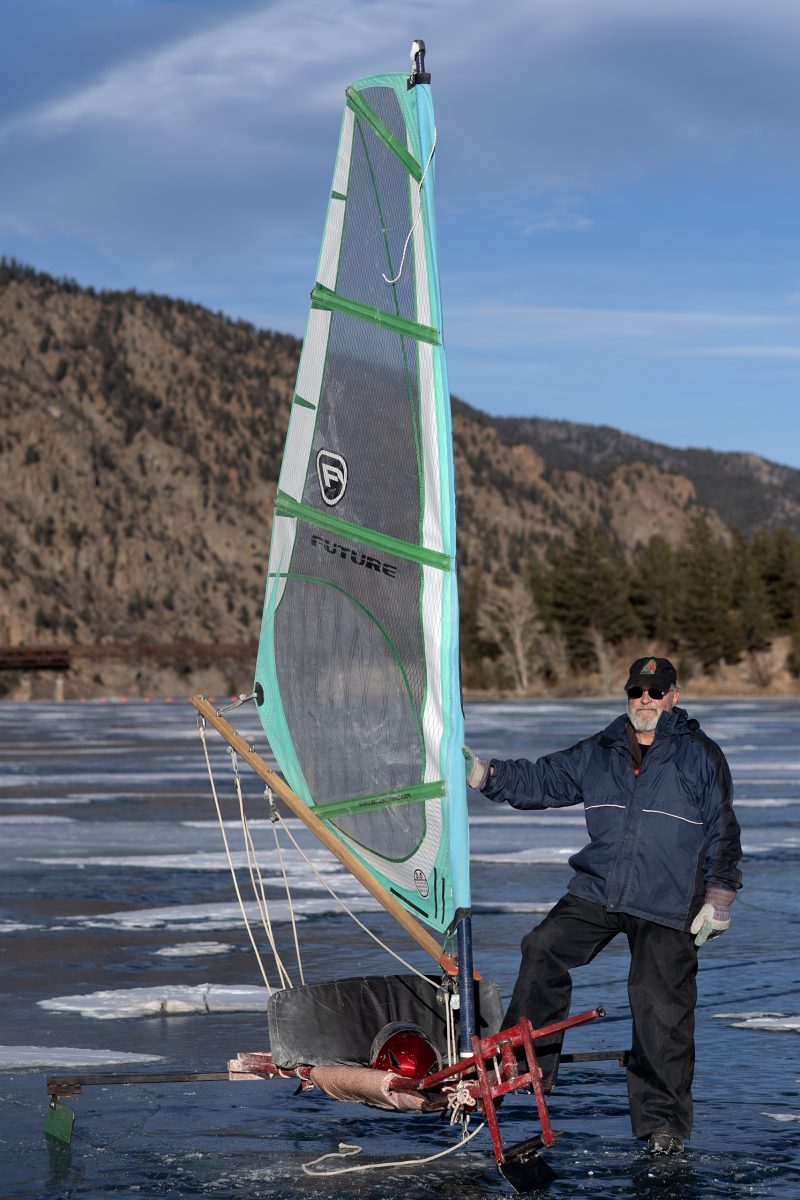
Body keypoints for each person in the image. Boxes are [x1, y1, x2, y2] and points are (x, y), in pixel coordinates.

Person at [464, 656, 742, 1156]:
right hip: (600, 889)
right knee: (543, 947)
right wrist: (486, 774)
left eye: (655, 693)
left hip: (669, 899)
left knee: (658, 1006)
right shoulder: (604, 748)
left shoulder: (699, 755)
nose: (645, 701)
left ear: (674, 697)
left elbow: (724, 829)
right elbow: (545, 780)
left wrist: (718, 898)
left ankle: (664, 1128)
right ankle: (527, 1067)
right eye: (637, 691)